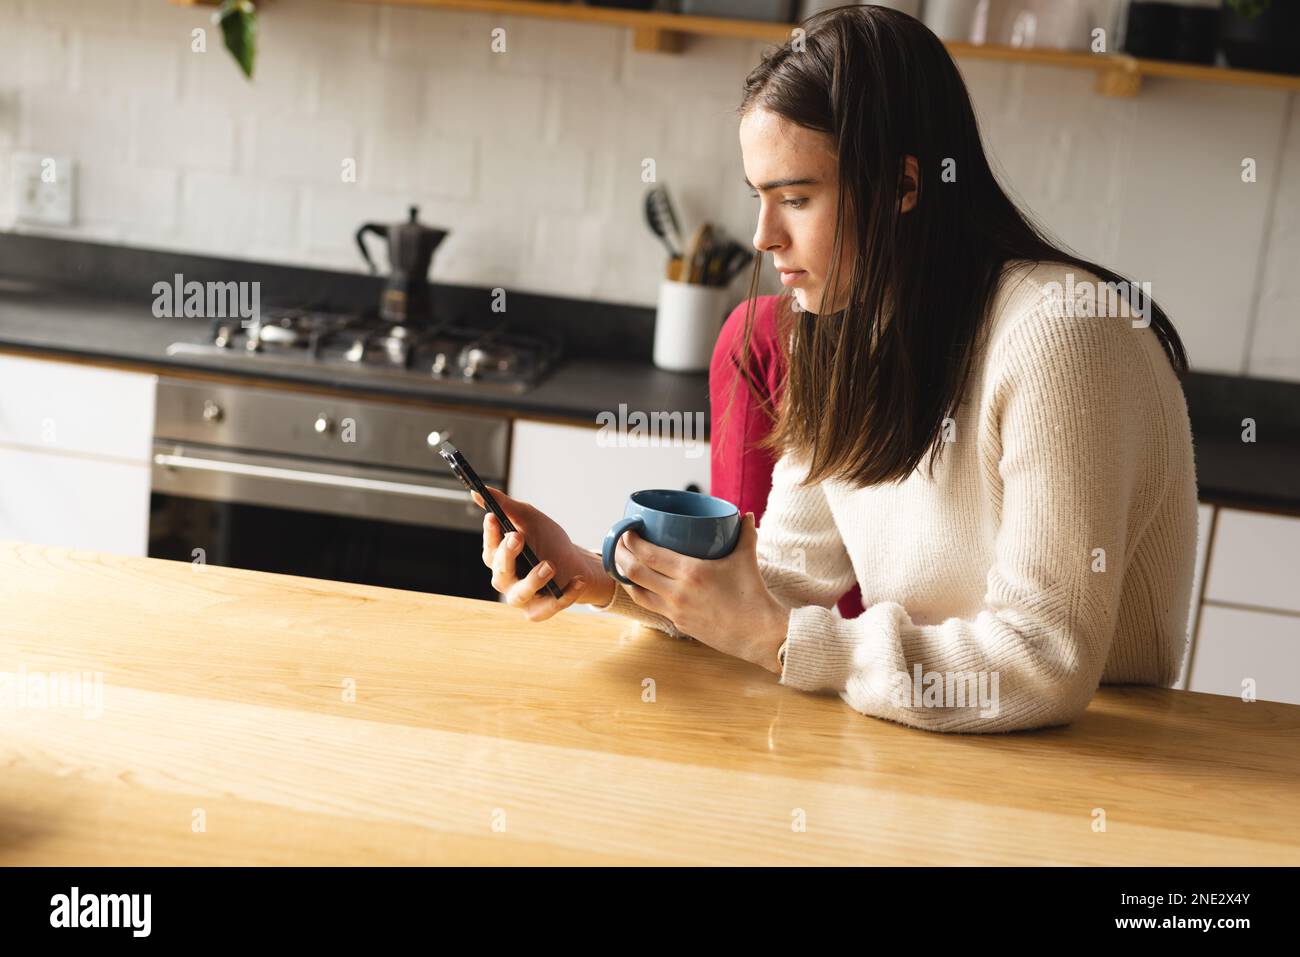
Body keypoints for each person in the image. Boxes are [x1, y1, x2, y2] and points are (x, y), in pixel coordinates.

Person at [471, 5, 1198, 733]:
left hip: (1097, 754)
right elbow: (781, 580)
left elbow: (1044, 662)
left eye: (796, 198)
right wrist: (596, 575)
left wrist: (783, 640)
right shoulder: (843, 327)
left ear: (903, 187)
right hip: (934, 743)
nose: (763, 236)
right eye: (759, 198)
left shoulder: (1063, 333)